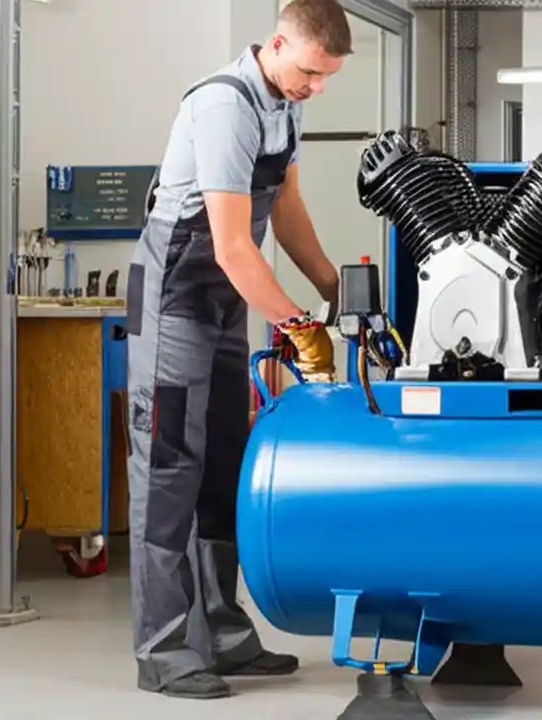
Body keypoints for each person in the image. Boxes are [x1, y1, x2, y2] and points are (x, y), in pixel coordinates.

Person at [123, 0, 352, 700]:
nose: (316, 87)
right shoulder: (225, 105)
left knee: (225, 455)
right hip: (177, 289)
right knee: (169, 468)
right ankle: (162, 652)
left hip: (225, 295)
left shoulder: (285, 102)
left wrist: (333, 285)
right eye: (311, 71)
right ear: (278, 43)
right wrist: (296, 327)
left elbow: (282, 208)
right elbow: (229, 244)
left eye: (327, 79)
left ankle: (222, 635)